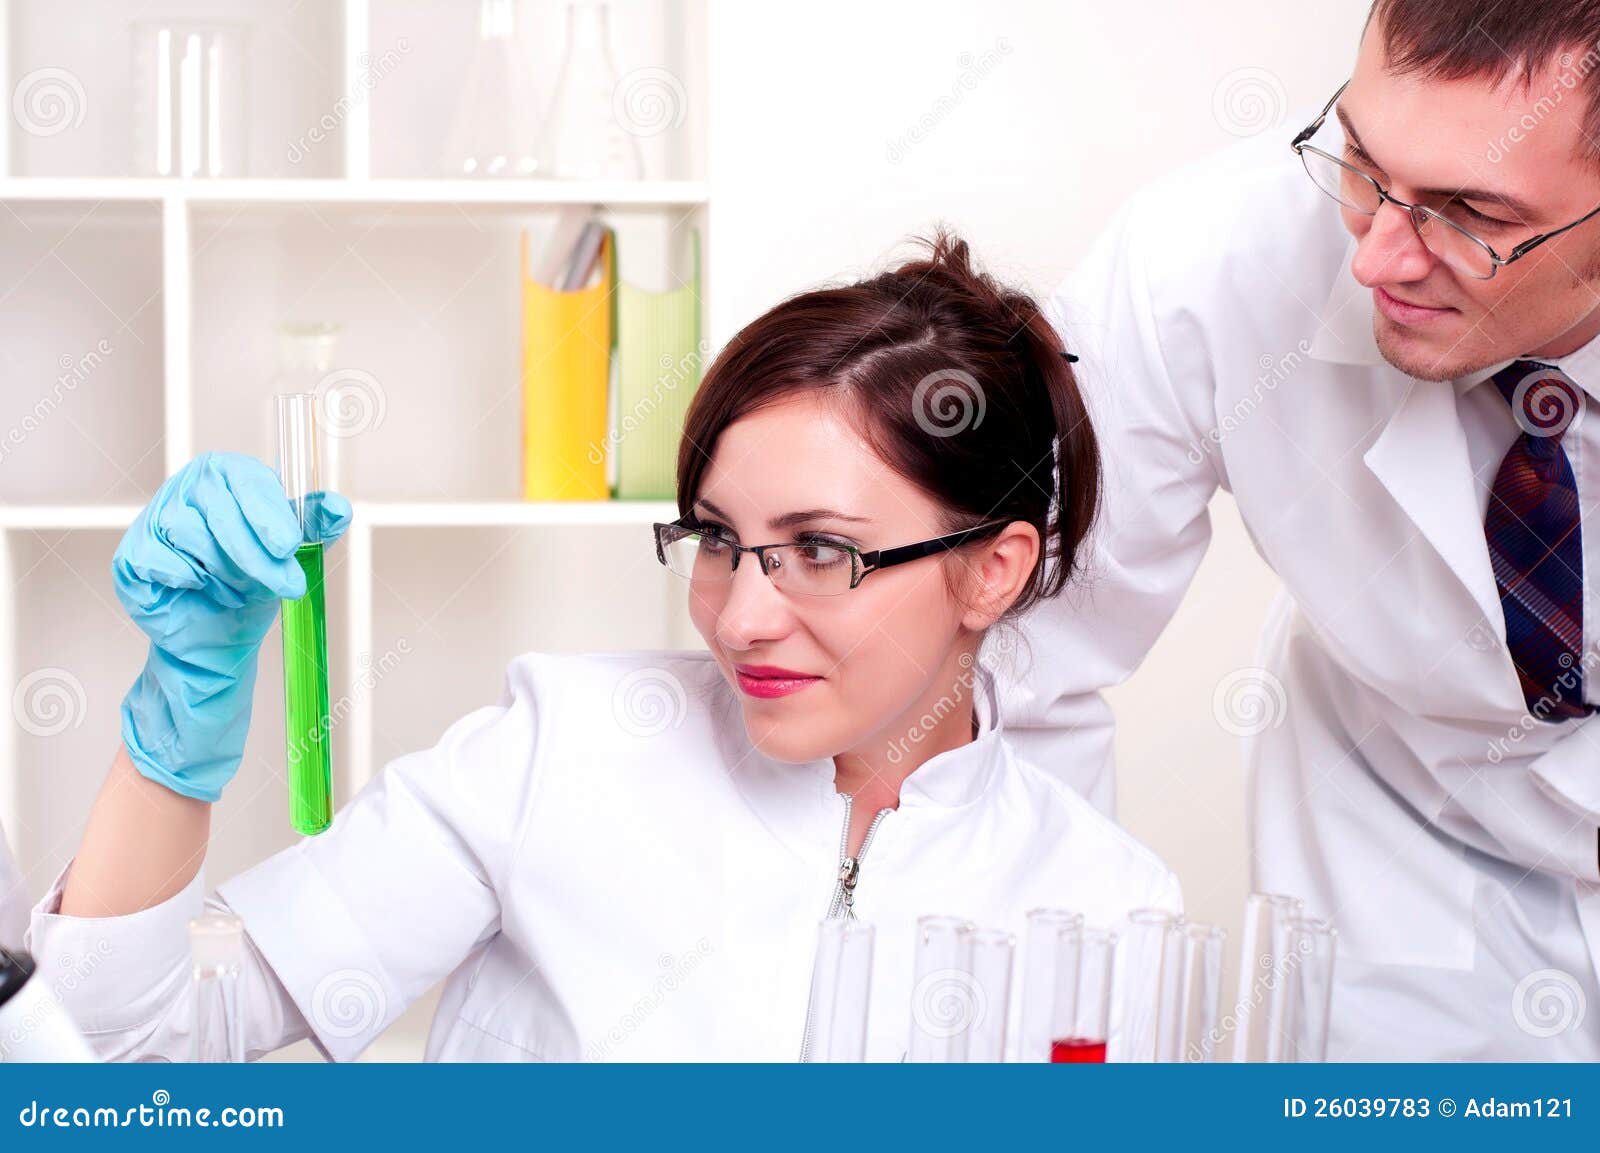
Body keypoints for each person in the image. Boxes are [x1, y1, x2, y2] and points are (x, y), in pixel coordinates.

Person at [24, 233, 1180, 1062]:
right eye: (719, 540)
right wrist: (174, 739)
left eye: (821, 549)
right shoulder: (558, 753)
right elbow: (125, 1058)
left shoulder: (1107, 910)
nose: (742, 616)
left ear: (994, 566)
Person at [997, 0, 1600, 1059]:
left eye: (1470, 214)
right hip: (1409, 831)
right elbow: (1020, 664)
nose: (1376, 260)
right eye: (1363, 164)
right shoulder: (1211, 256)